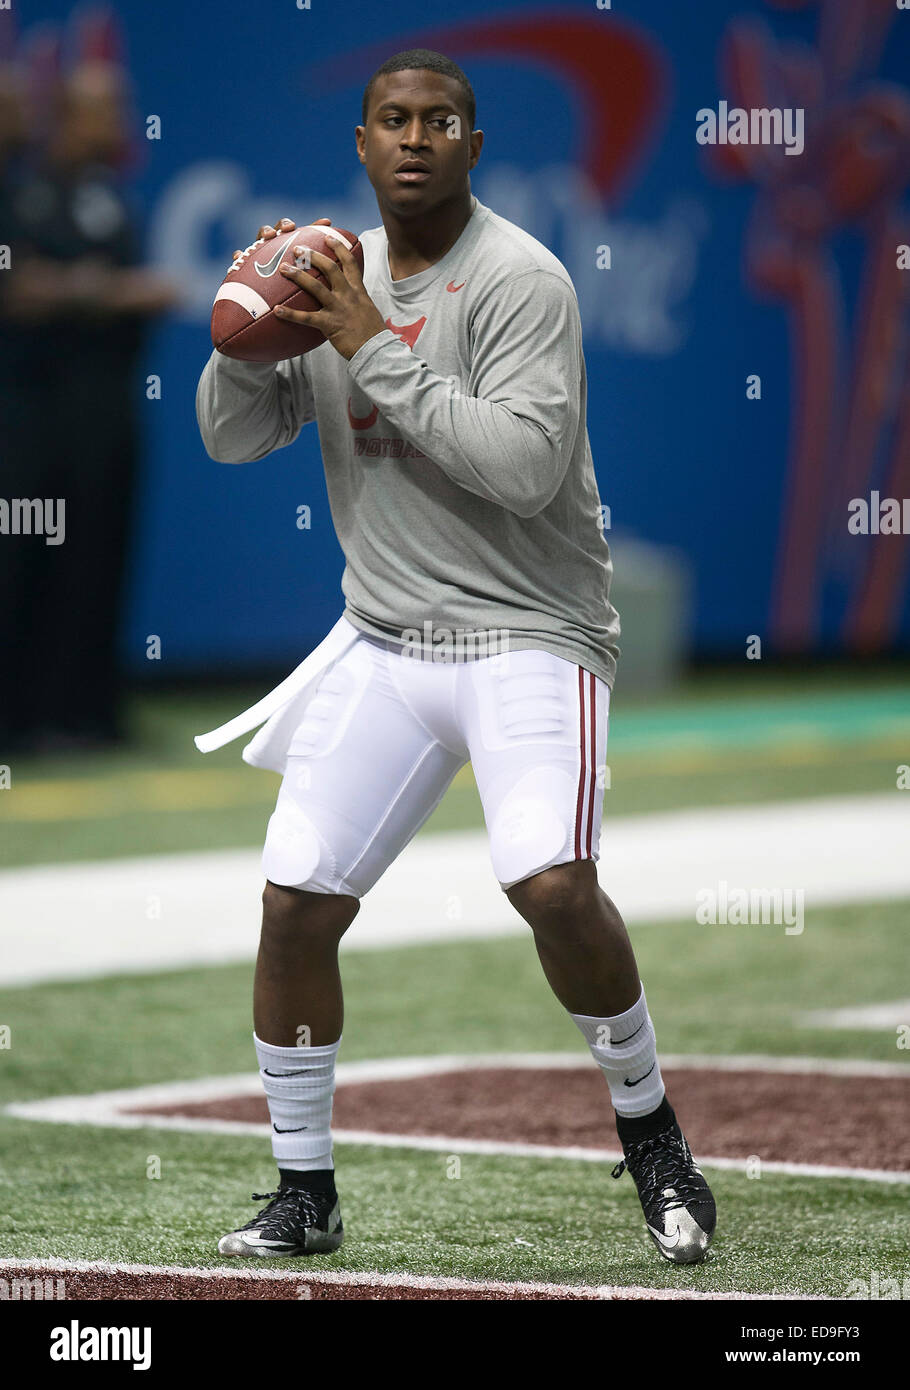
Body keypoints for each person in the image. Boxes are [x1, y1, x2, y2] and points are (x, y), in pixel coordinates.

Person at [195, 49, 716, 1268]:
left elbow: (521, 469)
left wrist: (374, 344)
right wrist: (242, 332)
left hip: (527, 632)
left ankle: (650, 1134)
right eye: (393, 120)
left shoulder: (521, 279)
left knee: (549, 883)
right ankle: (305, 1189)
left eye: (441, 121)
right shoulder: (331, 272)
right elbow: (230, 440)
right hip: (384, 636)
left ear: (474, 147)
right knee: (292, 904)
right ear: (364, 145)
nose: (416, 138)